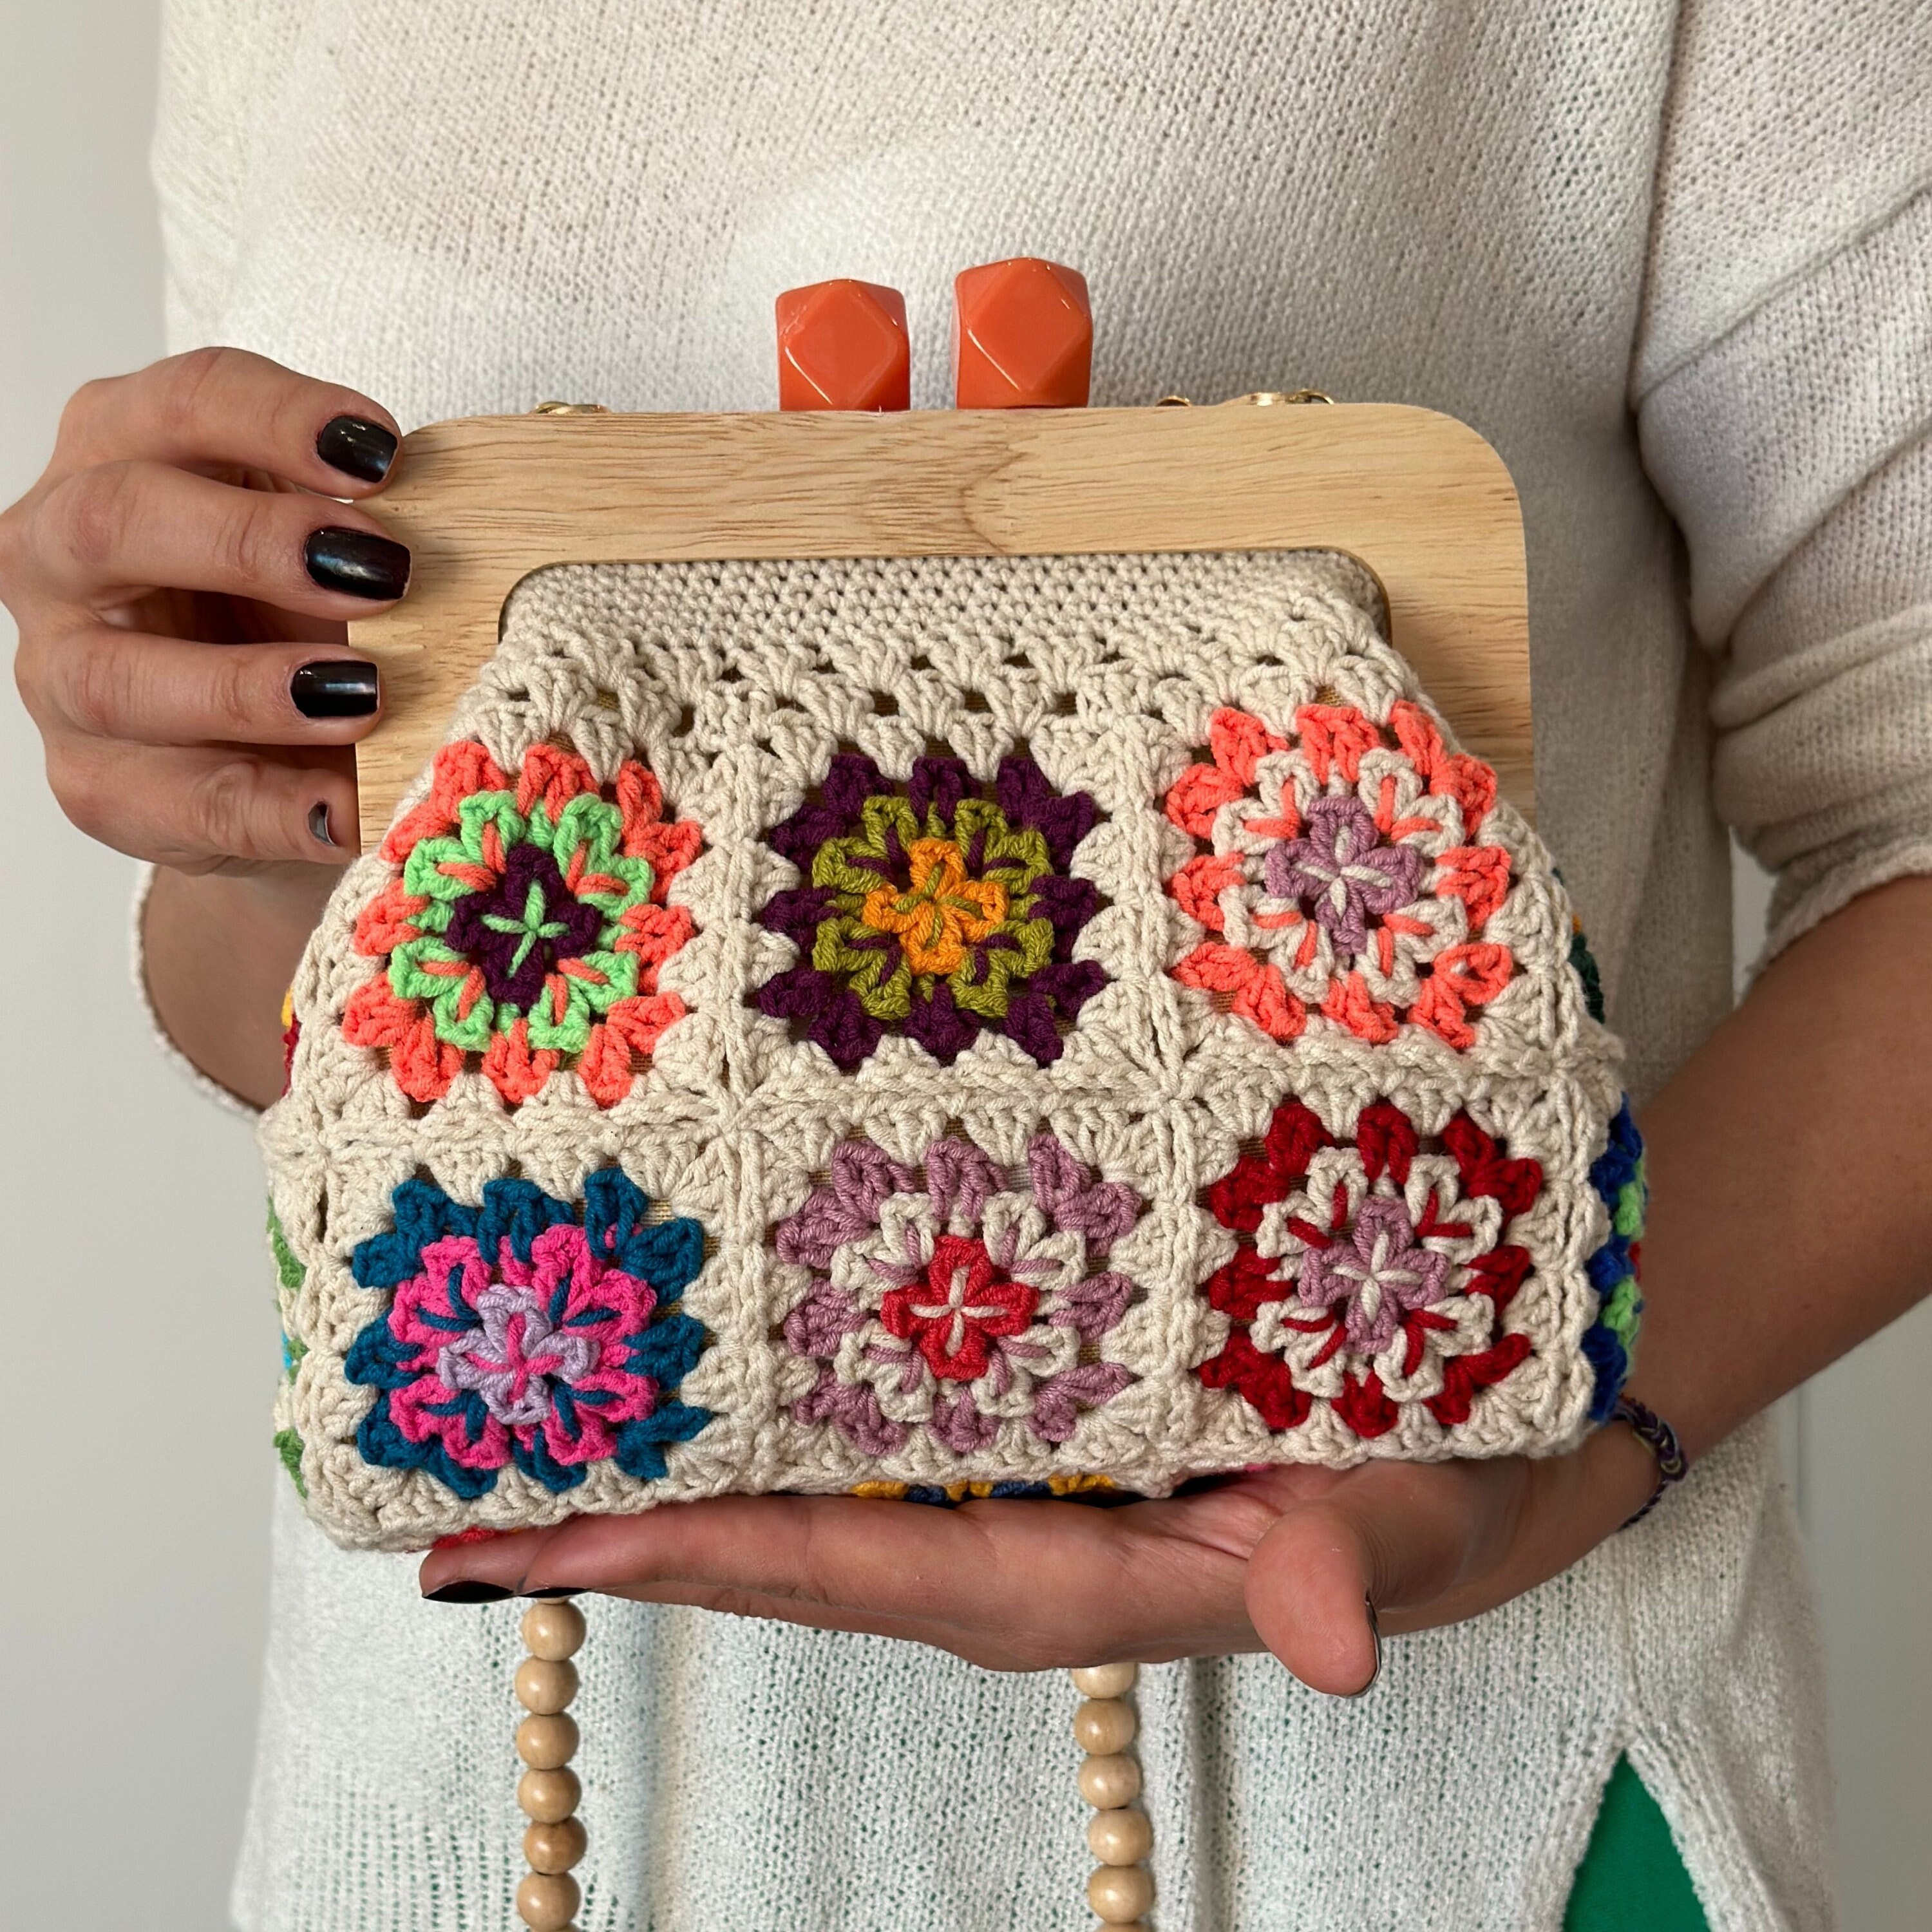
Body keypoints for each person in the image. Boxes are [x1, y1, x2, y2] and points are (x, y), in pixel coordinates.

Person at [5, 3, 1927, 1927]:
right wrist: (238, 823)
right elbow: (311, 1001)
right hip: (476, 1826)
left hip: (1427, 1824)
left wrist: (1572, 1449)